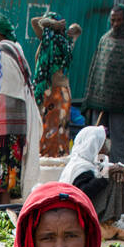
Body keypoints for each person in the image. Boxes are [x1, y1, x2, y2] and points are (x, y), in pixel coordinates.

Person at [0, 13, 41, 205]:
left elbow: (2, 87)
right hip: (3, 120)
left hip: (4, 123)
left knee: (2, 161)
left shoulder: (3, 53)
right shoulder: (10, 50)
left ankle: (2, 204)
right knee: (1, 162)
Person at [83, 4, 124, 166]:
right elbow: (97, 69)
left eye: (119, 20)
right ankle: (95, 164)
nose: (115, 24)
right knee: (96, 133)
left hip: (120, 98)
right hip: (100, 97)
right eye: (113, 20)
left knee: (117, 134)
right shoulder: (105, 38)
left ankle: (117, 167)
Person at [31, 12, 80, 157]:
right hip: (51, 91)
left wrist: (54, 25)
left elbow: (77, 29)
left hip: (54, 91)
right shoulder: (49, 40)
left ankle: (50, 161)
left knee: (53, 130)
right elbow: (35, 21)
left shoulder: (58, 41)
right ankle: (50, 159)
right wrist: (52, 23)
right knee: (49, 129)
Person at [60, 124, 124, 224]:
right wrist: (106, 173)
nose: (106, 148)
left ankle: (116, 218)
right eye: (103, 144)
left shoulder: (97, 160)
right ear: (93, 145)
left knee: (117, 173)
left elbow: (111, 166)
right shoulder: (80, 166)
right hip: (78, 211)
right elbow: (83, 193)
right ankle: (106, 219)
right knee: (110, 176)